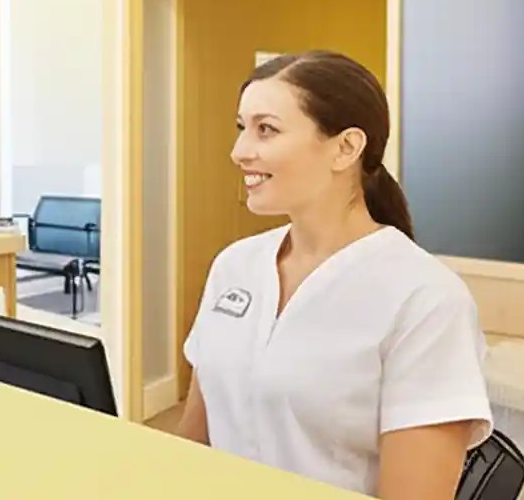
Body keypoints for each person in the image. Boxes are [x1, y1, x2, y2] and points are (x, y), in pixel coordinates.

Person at [177, 50, 491, 499]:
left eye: (266, 129)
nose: (239, 151)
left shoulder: (426, 298)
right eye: (241, 128)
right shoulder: (235, 265)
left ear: (345, 147)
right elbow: (192, 444)